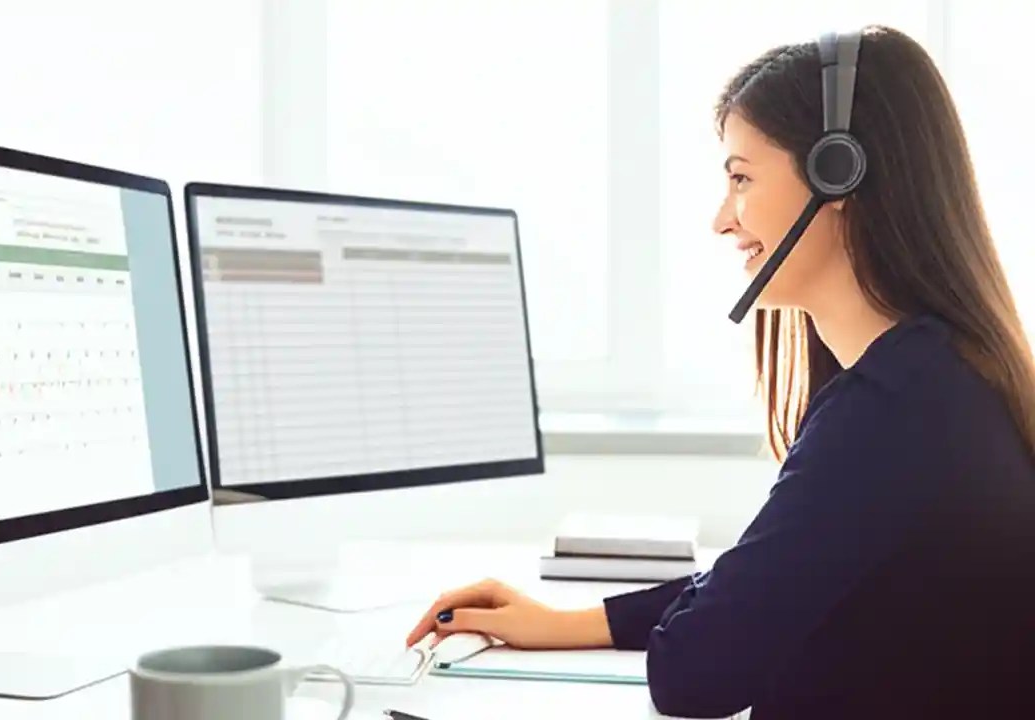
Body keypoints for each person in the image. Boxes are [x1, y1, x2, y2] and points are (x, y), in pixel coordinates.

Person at [404, 25, 1035, 719]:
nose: (720, 220)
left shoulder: (892, 410)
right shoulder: (936, 378)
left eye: (741, 179)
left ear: (840, 174)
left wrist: (666, 620)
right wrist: (572, 622)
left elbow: (695, 676)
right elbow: (760, 582)